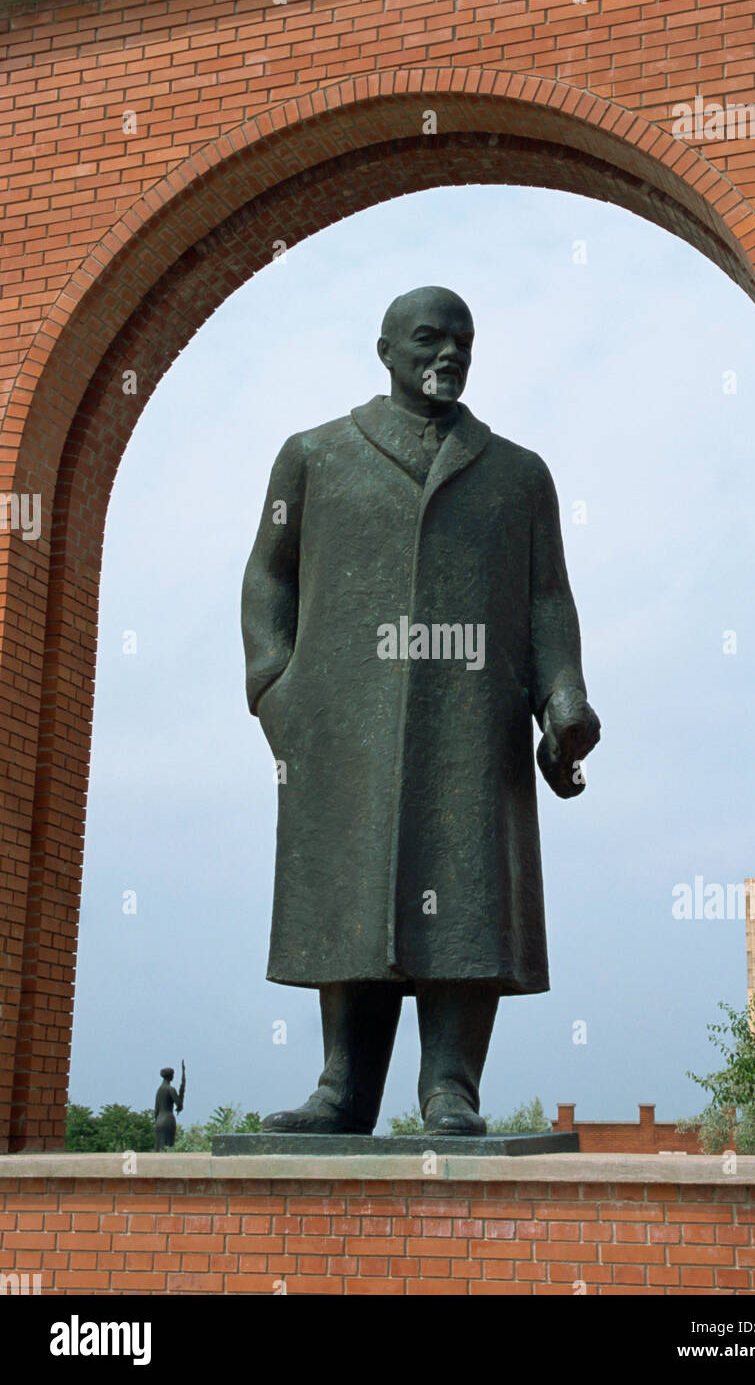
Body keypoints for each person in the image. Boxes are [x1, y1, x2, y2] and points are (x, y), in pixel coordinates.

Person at [241, 286, 600, 1135]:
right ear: (386, 351)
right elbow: (268, 574)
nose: (448, 355)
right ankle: (341, 1088)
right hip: (340, 720)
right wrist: (275, 689)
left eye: (462, 342)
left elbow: (548, 599)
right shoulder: (315, 455)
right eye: (429, 339)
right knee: (352, 892)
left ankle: (450, 1087)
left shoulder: (518, 474)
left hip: (473, 719)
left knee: (466, 893)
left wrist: (564, 697)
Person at [154, 1061, 186, 1151]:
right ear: (171, 1076)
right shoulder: (171, 1089)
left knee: (159, 1148)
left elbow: (156, 1110)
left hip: (159, 1121)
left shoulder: (159, 1090)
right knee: (168, 1148)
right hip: (168, 1120)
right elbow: (179, 1105)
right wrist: (182, 1092)